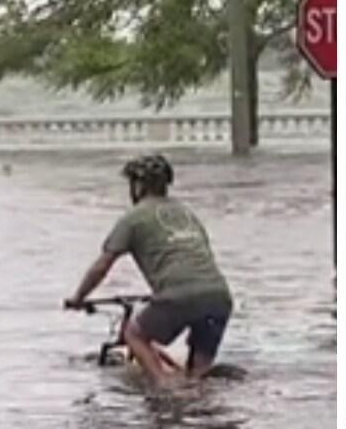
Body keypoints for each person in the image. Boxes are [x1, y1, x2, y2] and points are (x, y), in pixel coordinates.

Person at [64, 154, 233, 384]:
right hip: (218, 295)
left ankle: (163, 388)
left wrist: (78, 298)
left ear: (138, 186)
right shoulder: (187, 214)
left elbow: (102, 265)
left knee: (134, 334)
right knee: (198, 374)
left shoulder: (134, 218)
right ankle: (199, 401)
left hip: (179, 295)